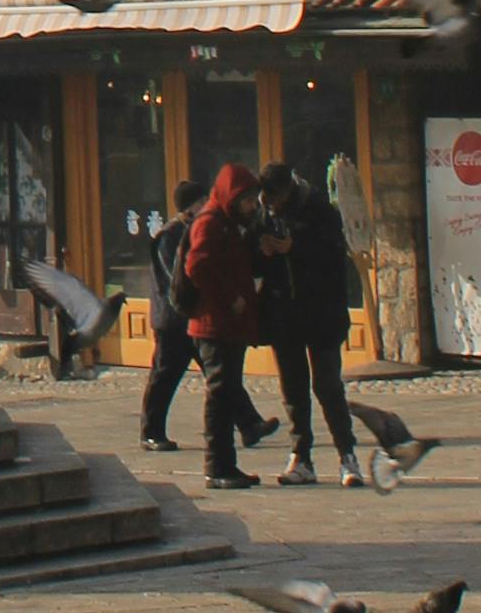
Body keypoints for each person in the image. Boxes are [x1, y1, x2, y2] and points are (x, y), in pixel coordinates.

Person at [139, 178, 273, 457]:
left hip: (198, 319)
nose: (206, 206)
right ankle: (151, 431)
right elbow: (175, 278)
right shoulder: (169, 235)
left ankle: (249, 423)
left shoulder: (202, 229)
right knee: (165, 376)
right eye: (201, 202)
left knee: (221, 374)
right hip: (174, 321)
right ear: (191, 206)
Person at [254, 162, 366, 488]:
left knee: (328, 387)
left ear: (287, 190)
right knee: (294, 389)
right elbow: (254, 257)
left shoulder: (319, 209)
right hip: (284, 316)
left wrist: (295, 247)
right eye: (266, 199)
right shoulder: (264, 214)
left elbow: (333, 257)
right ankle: (301, 456)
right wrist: (264, 251)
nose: (270, 204)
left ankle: (347, 455)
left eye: (274, 197)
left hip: (322, 314)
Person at [183, 159, 265, 491]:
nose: (251, 206)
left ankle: (226, 464)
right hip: (213, 324)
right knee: (219, 395)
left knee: (227, 392)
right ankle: (217, 466)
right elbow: (196, 268)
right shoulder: (210, 223)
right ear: (232, 197)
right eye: (247, 199)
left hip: (228, 324)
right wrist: (231, 298)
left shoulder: (230, 222)